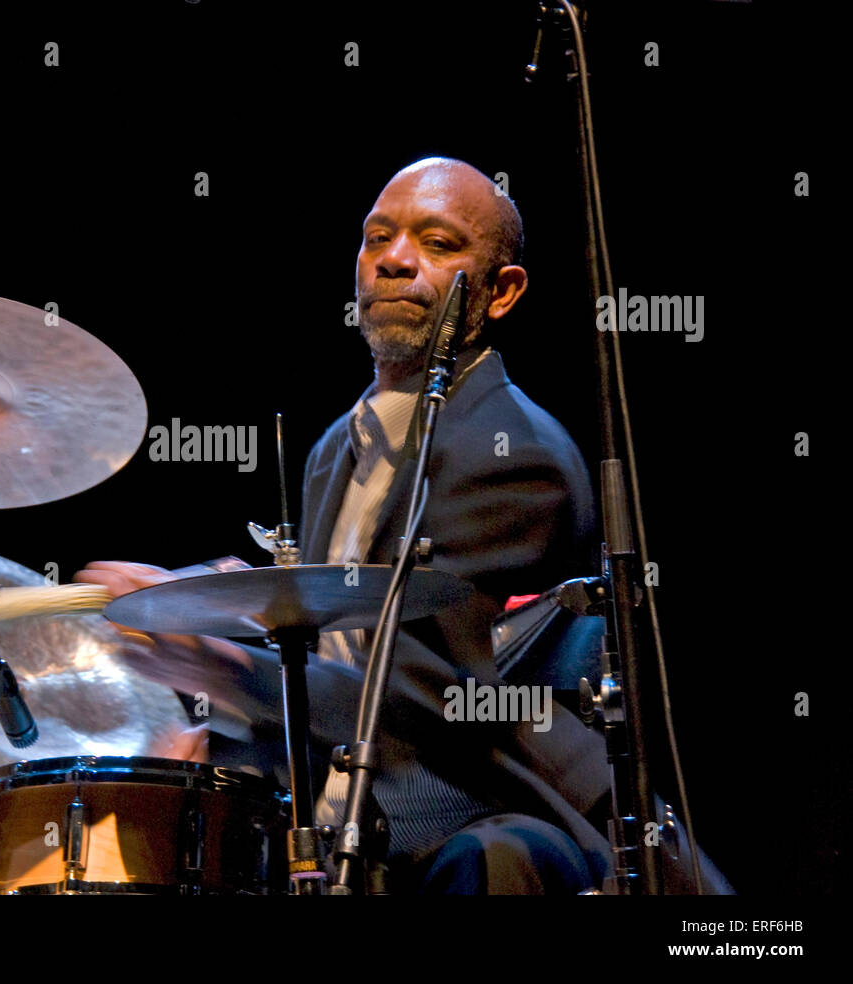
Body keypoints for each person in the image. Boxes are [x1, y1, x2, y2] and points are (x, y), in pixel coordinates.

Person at [79, 157, 612, 893]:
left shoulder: (513, 455)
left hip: (473, 819)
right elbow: (338, 653)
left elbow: (433, 703)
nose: (395, 260)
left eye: (438, 243)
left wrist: (226, 670)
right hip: (356, 820)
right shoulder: (340, 448)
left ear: (501, 292)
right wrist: (222, 717)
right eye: (378, 238)